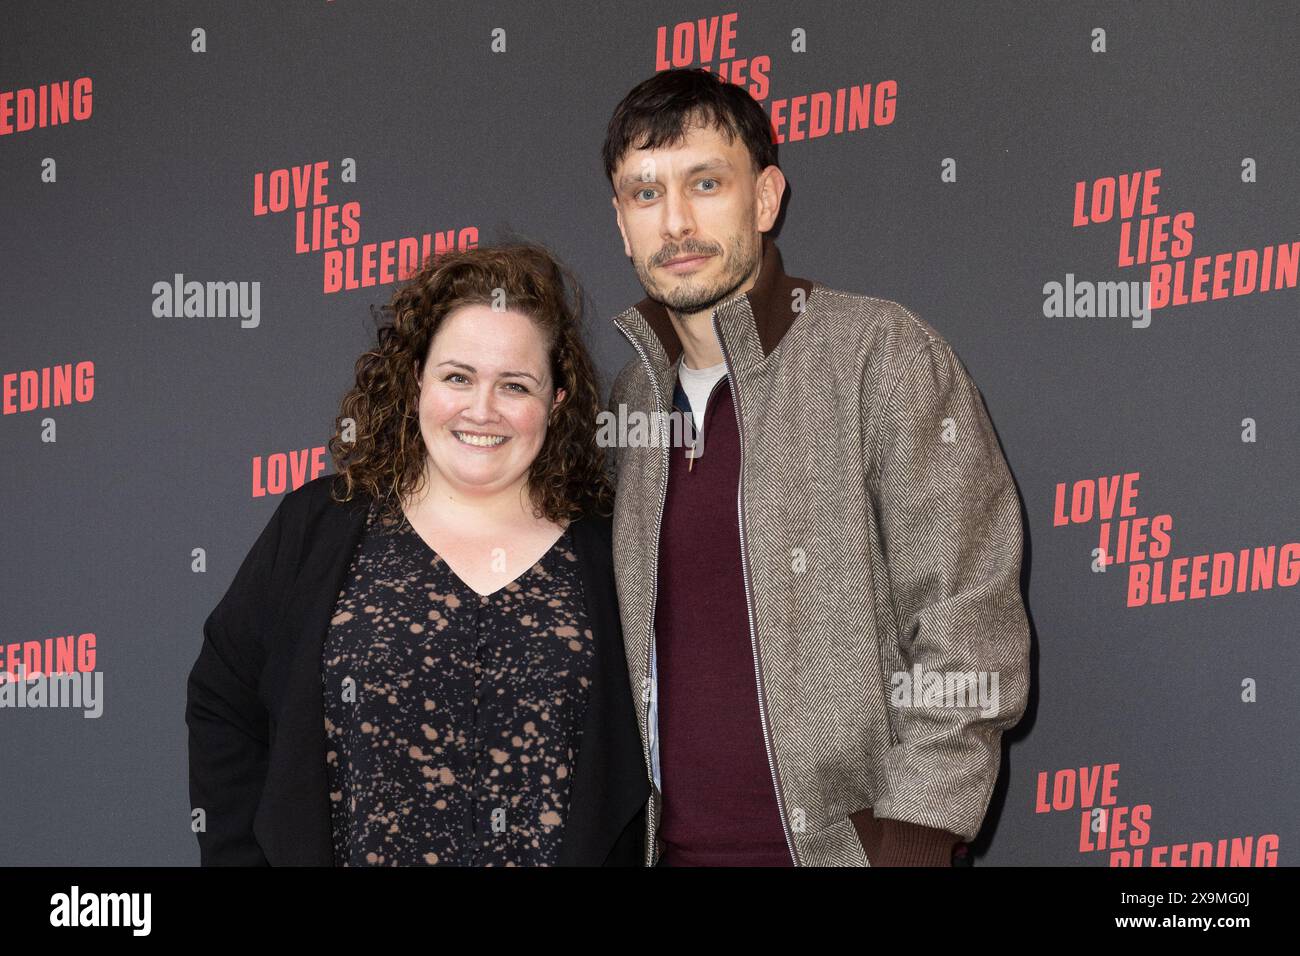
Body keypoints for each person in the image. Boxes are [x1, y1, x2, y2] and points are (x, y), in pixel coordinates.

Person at [601, 68, 1031, 866]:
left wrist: (909, 846)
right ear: (623, 226)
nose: (678, 221)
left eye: (705, 182)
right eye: (646, 193)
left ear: (765, 199)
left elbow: (966, 624)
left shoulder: (880, 357)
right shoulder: (629, 403)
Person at [186, 242, 648, 866]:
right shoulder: (319, 527)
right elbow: (224, 699)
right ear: (416, 381)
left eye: (514, 385)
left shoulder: (614, 553)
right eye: (457, 376)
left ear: (557, 403)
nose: (481, 410)